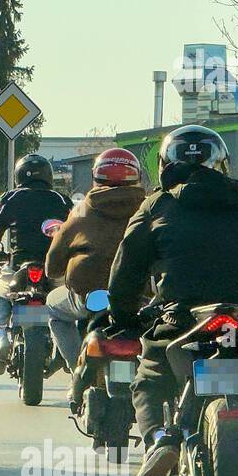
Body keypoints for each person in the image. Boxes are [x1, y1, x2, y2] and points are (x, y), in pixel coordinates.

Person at [107, 125, 238, 476]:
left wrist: (123, 317)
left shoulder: (155, 206)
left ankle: (160, 441)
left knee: (150, 376)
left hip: (181, 320)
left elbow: (126, 269)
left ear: (166, 164)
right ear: (221, 163)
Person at [44, 148, 146, 396]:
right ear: (136, 176)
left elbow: (53, 265)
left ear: (96, 176)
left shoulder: (82, 210)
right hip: (138, 296)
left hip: (91, 297)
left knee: (53, 308)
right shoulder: (148, 208)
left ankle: (76, 370)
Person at [0, 153, 73, 372]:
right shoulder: (61, 200)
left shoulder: (11, 198)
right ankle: (63, 350)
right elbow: (74, 230)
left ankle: (2, 339)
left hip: (18, 267)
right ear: (48, 175)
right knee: (65, 303)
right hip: (53, 268)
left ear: (18, 175)